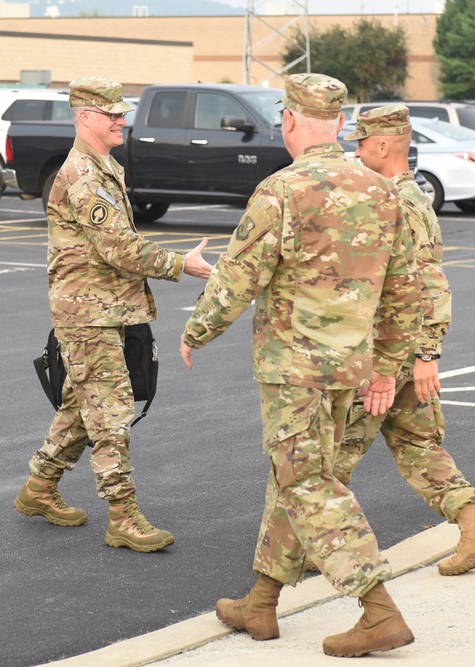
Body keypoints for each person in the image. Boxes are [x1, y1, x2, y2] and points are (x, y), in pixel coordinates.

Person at [180, 74, 422, 658]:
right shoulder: (382, 190)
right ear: (338, 123)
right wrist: (387, 364)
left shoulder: (281, 191)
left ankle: (378, 609)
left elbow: (239, 277)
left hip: (294, 368)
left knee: (306, 481)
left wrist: (197, 331)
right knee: (294, 476)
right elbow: (404, 290)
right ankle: (261, 603)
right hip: (349, 366)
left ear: (288, 120)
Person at [14, 76, 213, 553]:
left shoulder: (103, 166)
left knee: (82, 407)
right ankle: (123, 517)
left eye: (122, 113)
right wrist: (180, 264)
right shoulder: (83, 175)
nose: (122, 120)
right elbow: (119, 248)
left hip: (105, 308)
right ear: (86, 118)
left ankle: (39, 487)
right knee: (111, 413)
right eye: (113, 114)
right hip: (88, 314)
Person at [340, 104, 475, 576]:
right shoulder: (406, 196)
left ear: (382, 145)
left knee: (329, 453)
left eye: (360, 144)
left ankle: (319, 549)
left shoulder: (398, 202)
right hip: (402, 351)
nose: (356, 153)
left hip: (385, 355)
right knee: (417, 444)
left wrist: (426, 355)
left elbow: (428, 282)